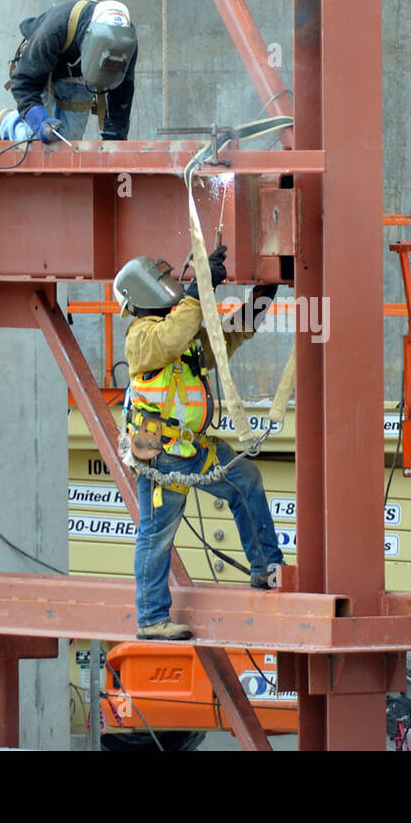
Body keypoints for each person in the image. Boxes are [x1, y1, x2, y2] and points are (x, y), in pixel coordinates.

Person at [115, 247, 283, 640]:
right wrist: (199, 287)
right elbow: (171, 338)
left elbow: (225, 338)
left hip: (192, 449)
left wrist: (262, 299)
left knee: (246, 480)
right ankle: (151, 619)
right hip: (162, 459)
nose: (171, 286)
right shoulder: (141, 337)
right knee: (156, 537)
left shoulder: (181, 330)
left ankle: (266, 568)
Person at [0, 0, 138, 144]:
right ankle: (9, 122)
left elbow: (122, 92)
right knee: (39, 143)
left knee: (66, 147)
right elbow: (22, 81)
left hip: (80, 75)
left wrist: (114, 139)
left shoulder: (126, 42)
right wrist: (37, 118)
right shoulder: (56, 28)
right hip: (42, 72)